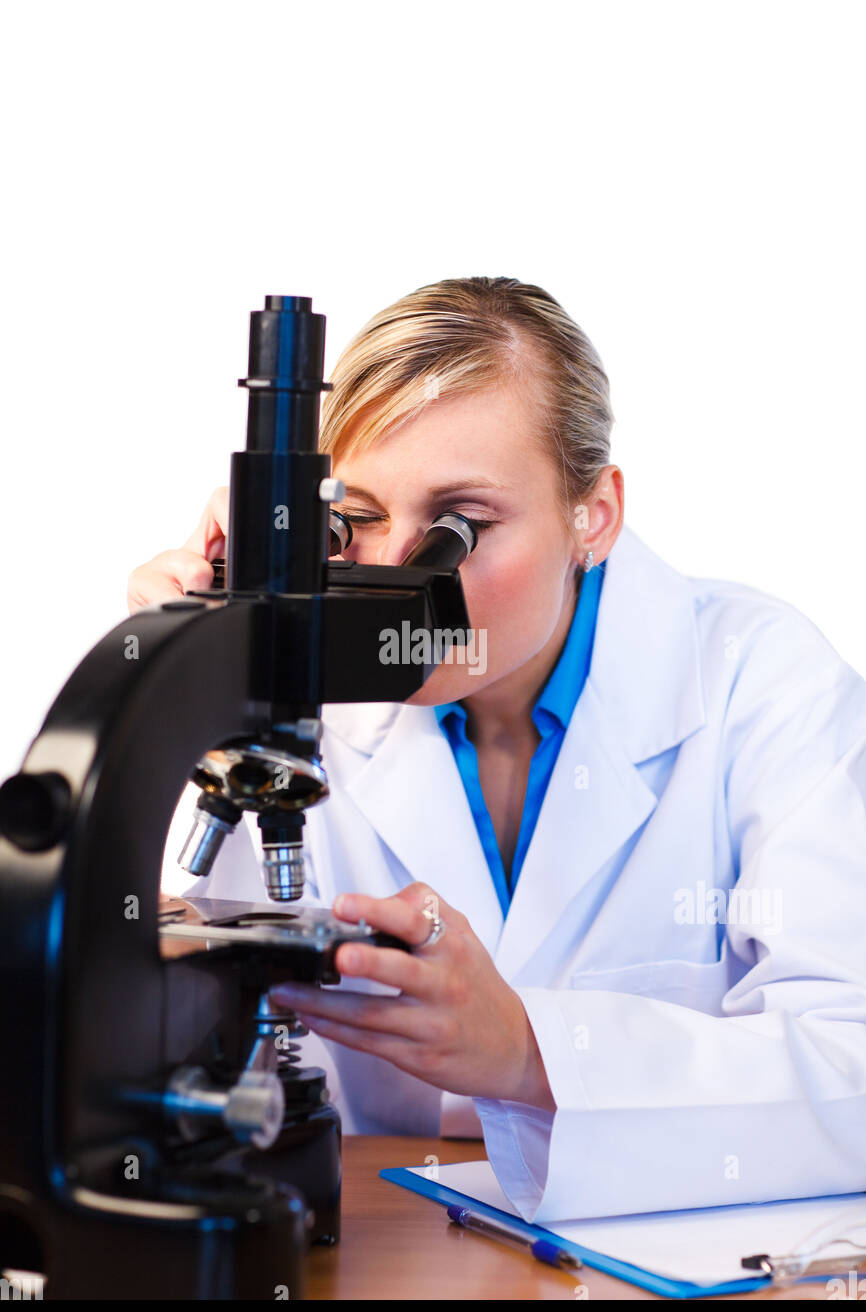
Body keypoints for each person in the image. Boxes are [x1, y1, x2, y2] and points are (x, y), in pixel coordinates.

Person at [129, 276, 866, 1225]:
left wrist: (528, 1051)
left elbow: (852, 1065)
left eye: (458, 529)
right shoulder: (300, 690)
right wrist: (188, 677)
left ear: (592, 515)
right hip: (382, 1249)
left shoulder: (760, 682)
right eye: (356, 522)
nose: (396, 575)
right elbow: (144, 1012)